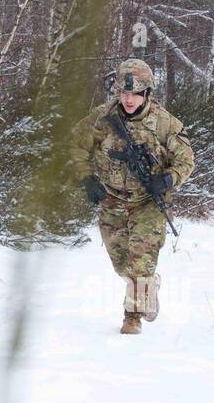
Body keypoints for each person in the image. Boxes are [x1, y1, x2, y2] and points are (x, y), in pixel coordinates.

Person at [69, 58, 195, 334]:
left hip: (148, 202)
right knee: (122, 265)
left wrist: (168, 179)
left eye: (135, 94)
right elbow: (77, 146)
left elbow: (186, 161)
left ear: (146, 93)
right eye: (124, 93)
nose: (128, 99)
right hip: (112, 200)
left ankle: (132, 317)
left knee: (140, 262)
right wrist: (87, 178)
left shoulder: (165, 124)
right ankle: (148, 283)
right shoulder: (102, 118)